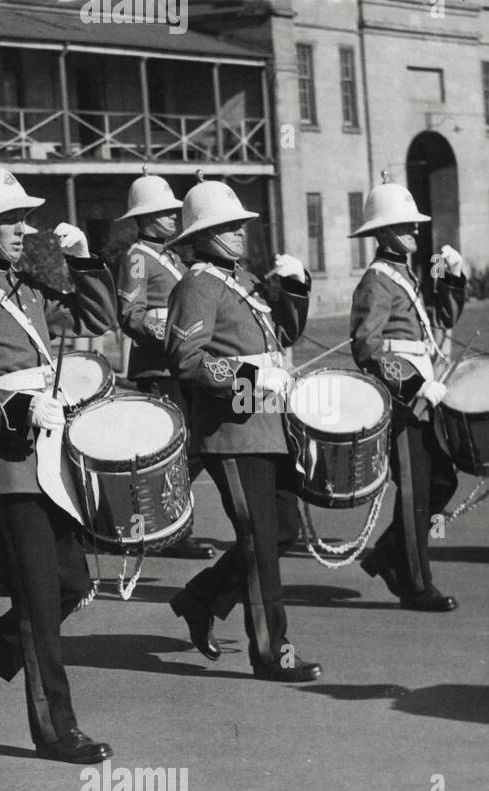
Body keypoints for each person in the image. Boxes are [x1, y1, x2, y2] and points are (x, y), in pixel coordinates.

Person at [0, 157, 117, 764]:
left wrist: (83, 261)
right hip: (9, 470)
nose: (22, 230)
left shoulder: (25, 288)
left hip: (52, 463)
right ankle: (56, 729)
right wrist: (11, 410)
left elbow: (101, 321)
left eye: (23, 219)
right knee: (40, 602)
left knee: (69, 588)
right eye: (9, 220)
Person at [163, 175, 321, 681]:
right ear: (200, 235)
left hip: (268, 426)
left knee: (284, 531)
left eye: (239, 225)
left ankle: (201, 598)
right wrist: (250, 375)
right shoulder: (197, 285)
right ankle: (273, 653)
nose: (238, 233)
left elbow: (285, 332)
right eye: (224, 226)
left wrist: (295, 287)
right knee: (259, 538)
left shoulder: (244, 281)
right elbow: (186, 361)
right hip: (231, 431)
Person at [349, 177, 466, 611]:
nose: (414, 232)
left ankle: (388, 556)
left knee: (442, 481)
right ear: (382, 232)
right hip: (402, 401)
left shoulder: (404, 274)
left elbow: (440, 320)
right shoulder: (377, 281)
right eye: (404, 226)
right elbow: (367, 348)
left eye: (414, 226)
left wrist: (452, 277)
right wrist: (415, 385)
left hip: (423, 396)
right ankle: (416, 585)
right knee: (418, 490)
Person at [115, 169, 215, 560]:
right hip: (159, 367)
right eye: (165, 212)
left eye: (175, 211)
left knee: (196, 446)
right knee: (174, 450)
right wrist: (172, 335)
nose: (174, 217)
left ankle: (160, 519)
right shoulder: (138, 257)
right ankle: (165, 528)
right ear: (144, 217)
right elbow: (131, 314)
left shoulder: (172, 255)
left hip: (185, 364)